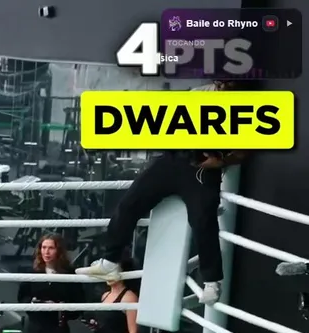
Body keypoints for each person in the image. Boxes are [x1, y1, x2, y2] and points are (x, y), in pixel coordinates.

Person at [78, 80, 247, 305]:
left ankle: (211, 280)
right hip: (172, 159)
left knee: (202, 220)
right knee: (129, 203)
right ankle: (110, 261)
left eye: (229, 81)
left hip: (203, 168)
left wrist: (221, 161)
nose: (223, 84)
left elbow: (245, 150)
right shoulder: (198, 93)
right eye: (221, 80)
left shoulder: (247, 104)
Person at [17, 233, 85, 333]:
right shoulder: (33, 272)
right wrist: (33, 303)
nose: (46, 252)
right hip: (34, 327)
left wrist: (62, 307)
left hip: (57, 328)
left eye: (51, 248)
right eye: (43, 247)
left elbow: (78, 302)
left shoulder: (69, 274)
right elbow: (22, 297)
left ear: (59, 250)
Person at [87, 259, 144, 333]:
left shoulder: (129, 297)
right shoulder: (105, 295)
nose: (109, 276)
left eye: (112, 272)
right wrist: (94, 324)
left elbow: (134, 331)